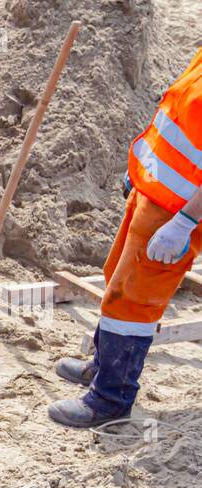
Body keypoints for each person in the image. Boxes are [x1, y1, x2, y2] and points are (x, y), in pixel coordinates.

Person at [50, 48, 202, 428]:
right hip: (156, 192)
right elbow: (176, 118)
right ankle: (103, 367)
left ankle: (110, 399)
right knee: (116, 278)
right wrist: (140, 171)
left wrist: (184, 222)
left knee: (133, 300)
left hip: (178, 210)